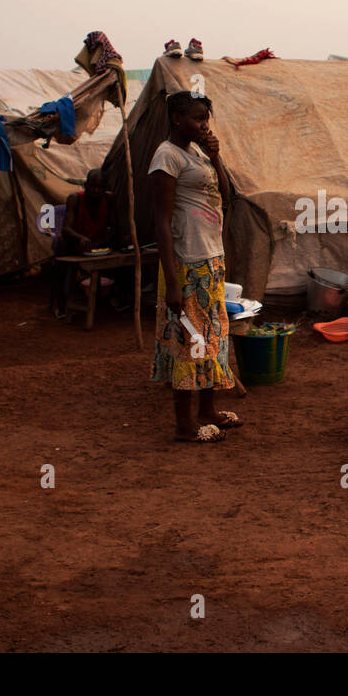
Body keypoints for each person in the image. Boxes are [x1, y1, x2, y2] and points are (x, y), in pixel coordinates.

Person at [149, 90, 239, 443]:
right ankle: (185, 425)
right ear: (176, 119)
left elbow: (227, 194)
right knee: (190, 340)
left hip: (210, 258)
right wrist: (172, 281)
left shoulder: (197, 153)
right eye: (197, 118)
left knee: (212, 338)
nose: (204, 125)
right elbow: (161, 222)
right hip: (185, 263)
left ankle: (207, 411)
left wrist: (216, 158)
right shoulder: (166, 157)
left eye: (206, 118)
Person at [52, 169, 113, 319]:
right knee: (61, 244)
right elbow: (66, 229)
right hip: (74, 245)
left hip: (96, 245)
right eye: (93, 186)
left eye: (100, 187)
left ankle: (114, 300)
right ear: (86, 185)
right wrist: (80, 238)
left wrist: (100, 242)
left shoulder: (109, 199)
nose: (96, 191)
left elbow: (113, 227)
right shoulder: (75, 199)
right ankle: (61, 304)